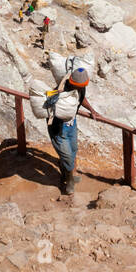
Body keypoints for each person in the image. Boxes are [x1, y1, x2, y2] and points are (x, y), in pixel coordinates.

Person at [45, 53, 96, 195]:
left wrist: (92, 110)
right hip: (57, 128)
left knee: (73, 150)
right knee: (67, 155)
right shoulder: (61, 89)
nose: (80, 89)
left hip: (71, 124)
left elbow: (82, 98)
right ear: (72, 82)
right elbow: (48, 103)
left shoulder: (80, 88)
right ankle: (69, 181)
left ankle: (65, 176)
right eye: (78, 86)